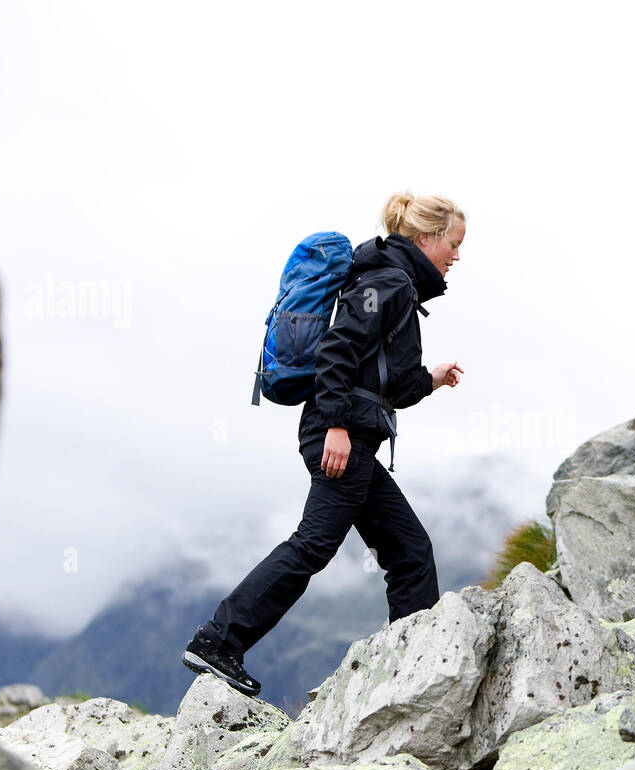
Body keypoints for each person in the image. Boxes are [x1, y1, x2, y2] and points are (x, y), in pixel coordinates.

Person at [182, 192, 467, 696]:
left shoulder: (392, 282)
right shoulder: (389, 281)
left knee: (409, 549)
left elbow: (390, 383)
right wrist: (337, 424)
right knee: (314, 545)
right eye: (453, 243)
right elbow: (338, 347)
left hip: (351, 434)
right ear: (426, 238)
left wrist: (432, 379)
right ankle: (218, 641)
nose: (457, 256)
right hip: (341, 436)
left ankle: (410, 666)